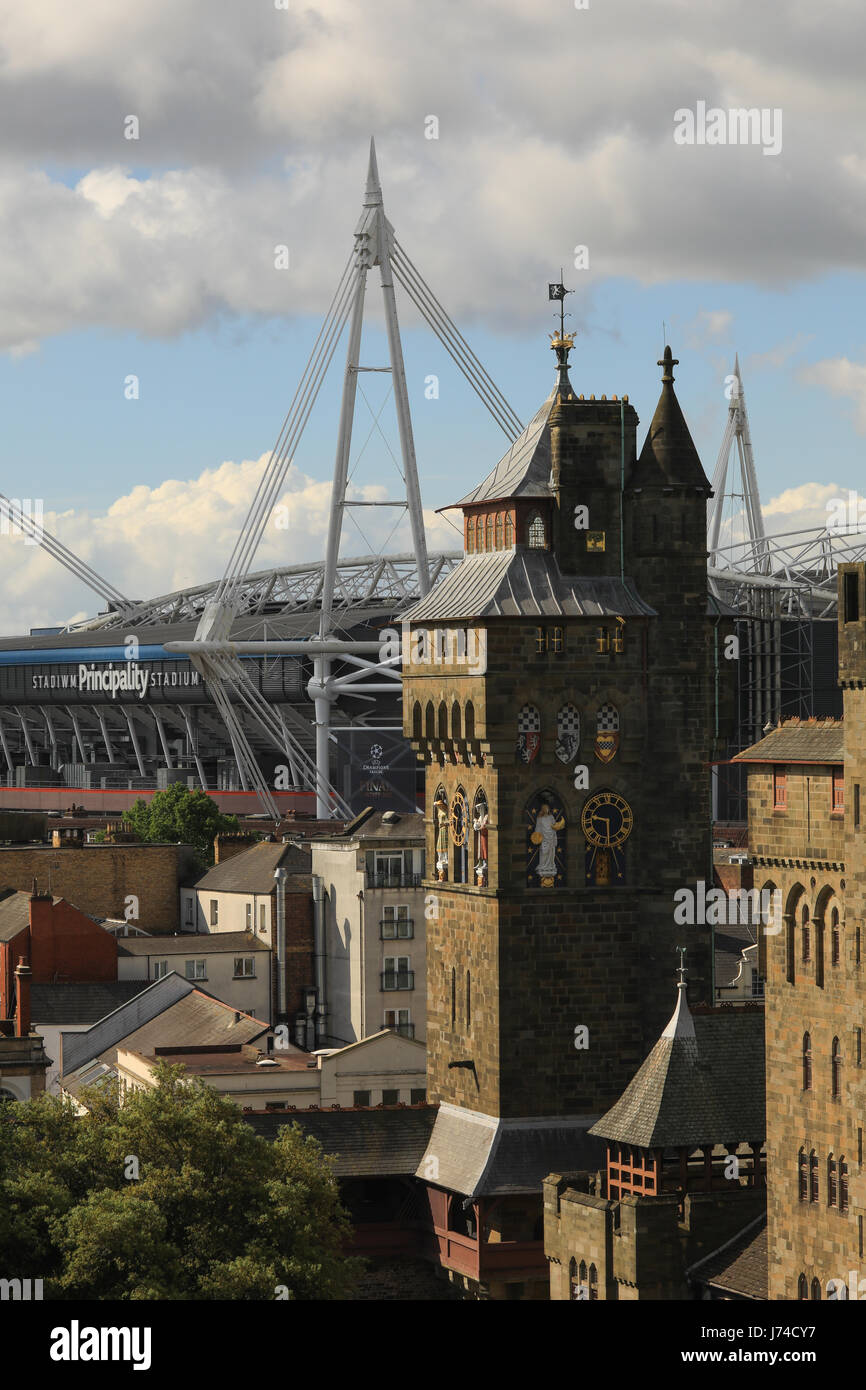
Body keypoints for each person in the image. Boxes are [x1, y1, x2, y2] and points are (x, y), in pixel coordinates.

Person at [534, 802, 564, 882]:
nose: (546, 810)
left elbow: (554, 826)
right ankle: (543, 866)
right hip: (544, 838)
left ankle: (550, 866)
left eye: (547, 808)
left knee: (551, 853)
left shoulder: (551, 817)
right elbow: (537, 828)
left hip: (551, 838)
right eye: (545, 808)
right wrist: (536, 837)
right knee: (544, 853)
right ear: (543, 809)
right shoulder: (539, 818)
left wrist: (559, 826)